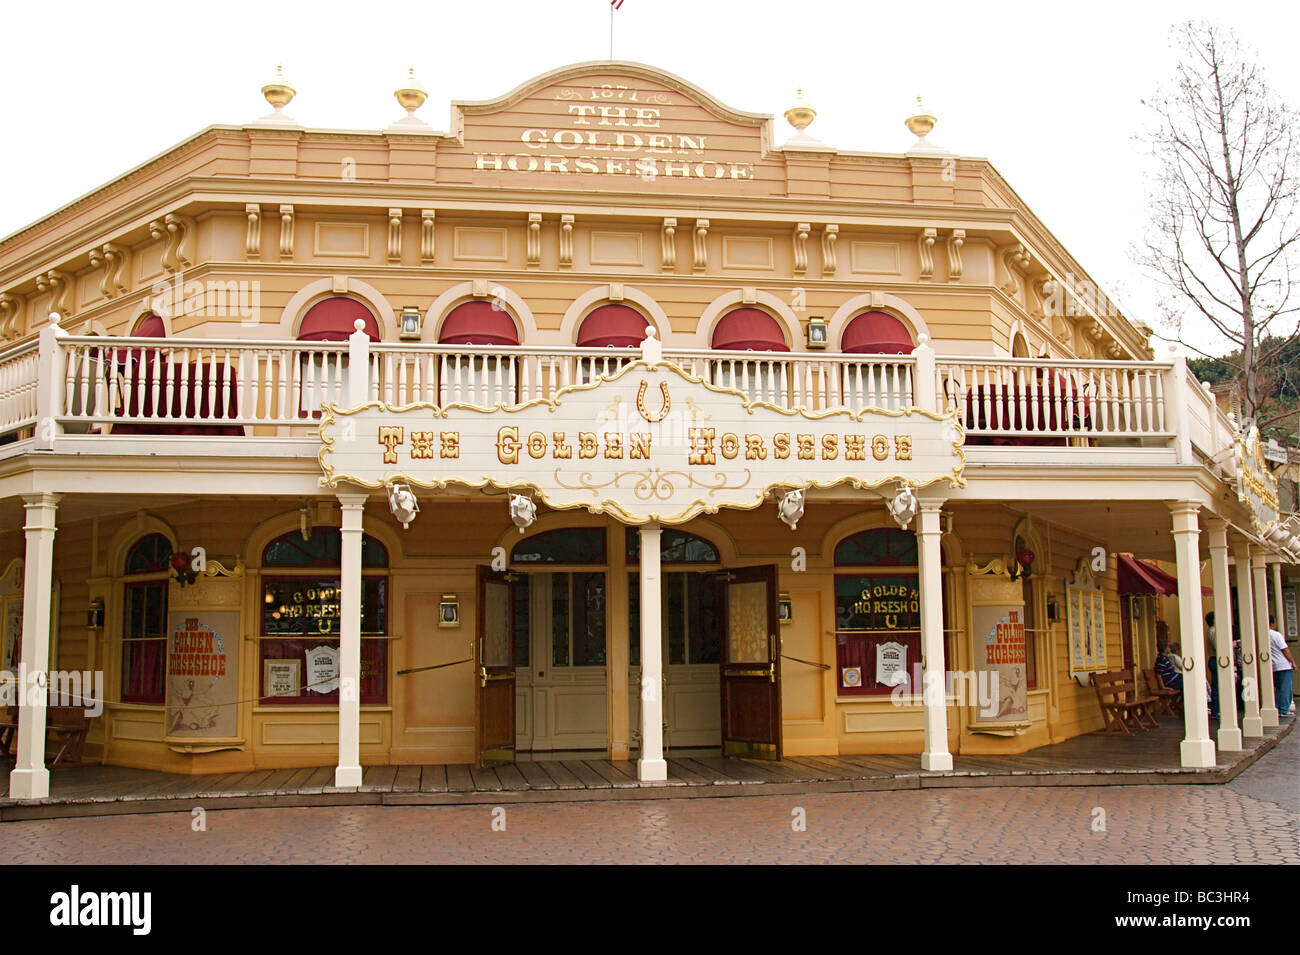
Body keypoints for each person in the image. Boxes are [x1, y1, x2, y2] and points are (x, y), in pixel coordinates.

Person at [1268, 614, 1295, 718]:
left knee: (1278, 687)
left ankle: (1278, 707)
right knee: (1286, 687)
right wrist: (1293, 662)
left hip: (1274, 665)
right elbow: (1285, 649)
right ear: (1272, 623)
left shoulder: (1263, 636)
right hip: (1283, 665)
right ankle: (1284, 709)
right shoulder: (1276, 635)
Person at [1205, 612, 1219, 720]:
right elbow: (1216, 646)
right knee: (1216, 686)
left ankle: (1217, 709)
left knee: (1217, 685)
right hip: (1215, 659)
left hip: (1214, 659)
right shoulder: (1213, 631)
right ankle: (1216, 709)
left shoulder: (1213, 630)